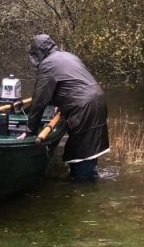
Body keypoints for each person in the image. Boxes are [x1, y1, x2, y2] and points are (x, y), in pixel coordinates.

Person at [26, 34, 109, 181]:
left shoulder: (48, 65)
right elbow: (70, 84)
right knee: (90, 145)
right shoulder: (69, 56)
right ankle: (90, 177)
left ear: (38, 53)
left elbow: (39, 101)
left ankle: (83, 183)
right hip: (98, 99)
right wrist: (61, 104)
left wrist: (29, 131)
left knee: (80, 152)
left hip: (82, 106)